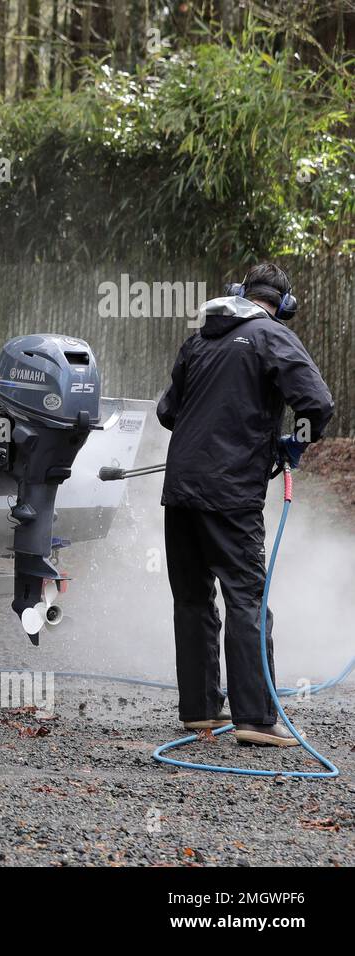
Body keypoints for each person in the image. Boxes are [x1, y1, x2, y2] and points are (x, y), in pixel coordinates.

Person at [156, 262, 335, 746]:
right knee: (246, 598)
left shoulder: (199, 339)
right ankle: (255, 719)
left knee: (192, 598)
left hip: (180, 491)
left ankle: (200, 710)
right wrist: (295, 442)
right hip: (231, 494)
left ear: (239, 292)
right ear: (283, 305)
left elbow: (168, 412)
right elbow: (317, 404)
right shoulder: (272, 336)